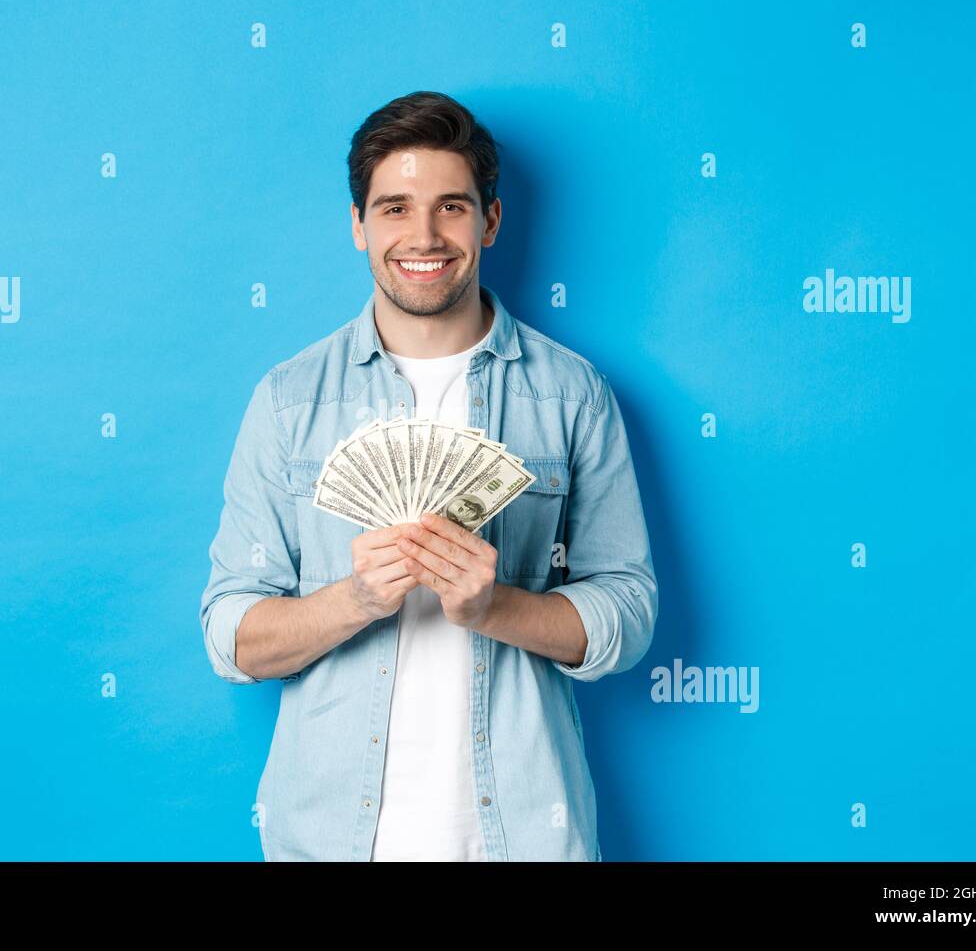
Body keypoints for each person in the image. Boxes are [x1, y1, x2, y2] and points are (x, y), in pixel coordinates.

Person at [199, 90, 658, 861]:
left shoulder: (573, 394)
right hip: (328, 840)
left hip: (523, 835)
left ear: (491, 221)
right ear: (357, 225)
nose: (423, 236)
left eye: (451, 207)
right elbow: (230, 637)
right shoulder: (287, 401)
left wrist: (496, 606)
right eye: (393, 208)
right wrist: (353, 601)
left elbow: (629, 611)